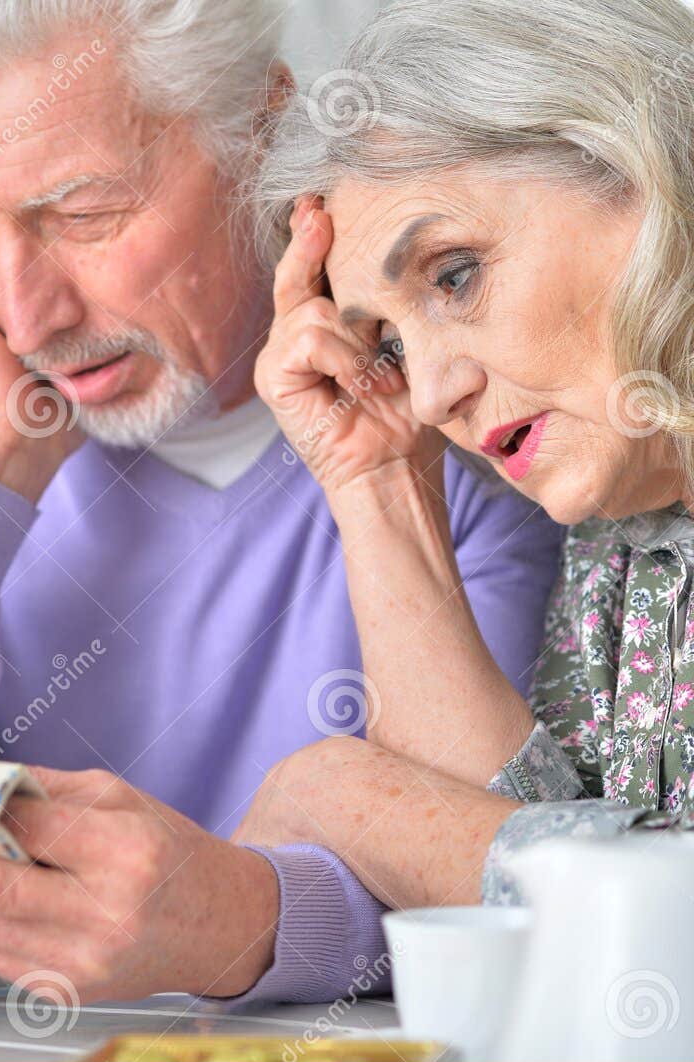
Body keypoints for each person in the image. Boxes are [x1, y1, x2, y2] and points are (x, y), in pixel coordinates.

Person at [0, 0, 564, 1002]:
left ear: (261, 134)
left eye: (83, 217)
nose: (26, 311)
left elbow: (510, 879)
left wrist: (246, 920)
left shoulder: (464, 424)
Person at [237, 0, 694, 948]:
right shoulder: (628, 542)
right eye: (392, 345)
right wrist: (372, 479)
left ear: (640, 158)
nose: (433, 394)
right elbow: (523, 930)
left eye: (454, 275)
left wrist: (339, 793)